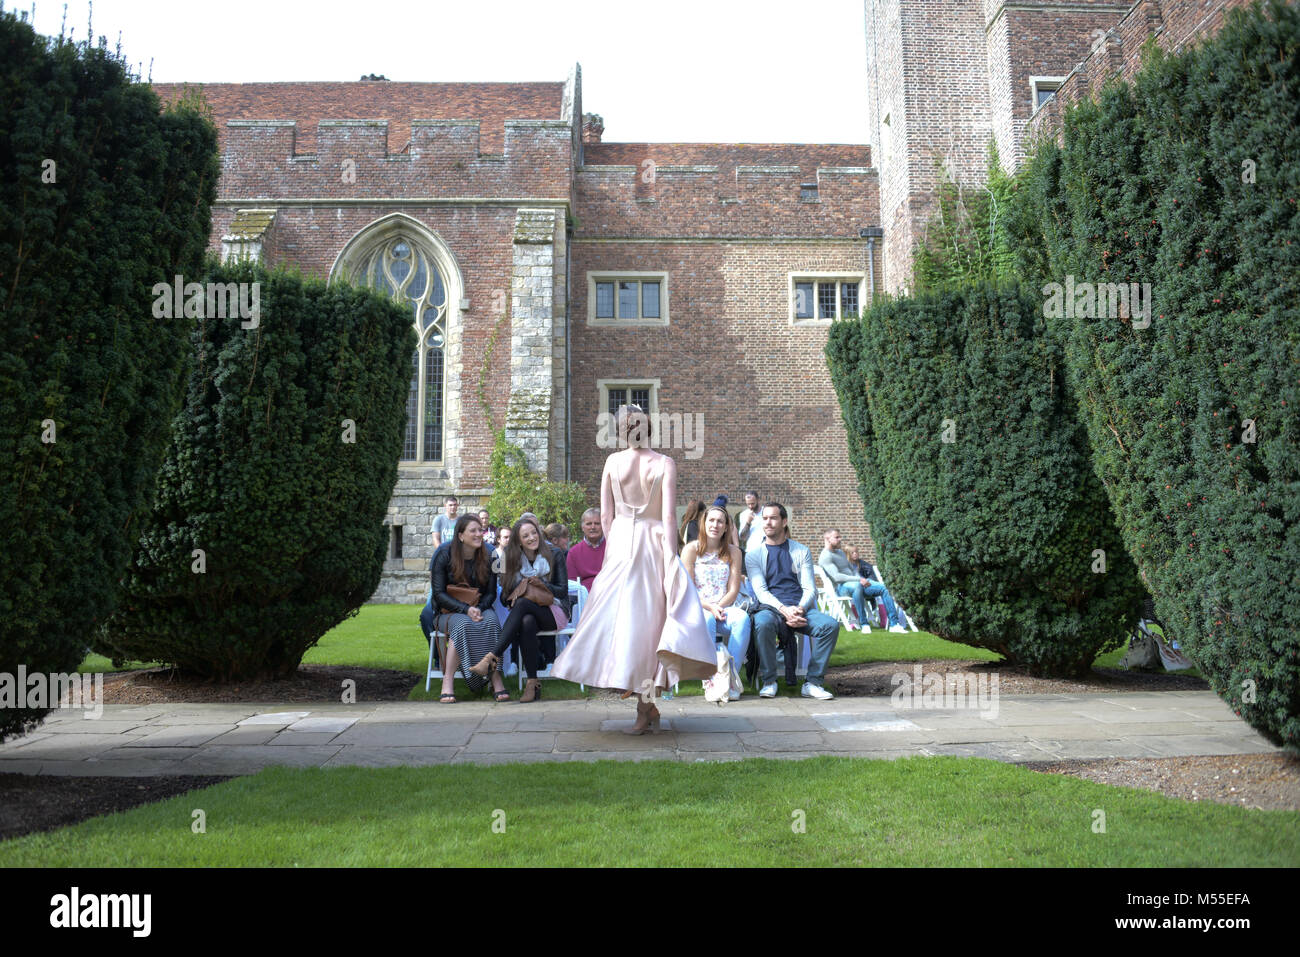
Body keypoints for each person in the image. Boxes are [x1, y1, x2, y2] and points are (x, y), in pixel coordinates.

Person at [551, 404, 716, 733]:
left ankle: (645, 706)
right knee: (649, 627)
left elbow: (606, 516)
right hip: (653, 545)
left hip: (624, 544)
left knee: (625, 626)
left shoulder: (613, 462)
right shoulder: (664, 463)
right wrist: (671, 555)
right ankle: (646, 705)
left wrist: (614, 550)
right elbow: (669, 516)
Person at [470, 517, 572, 703]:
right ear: (519, 540)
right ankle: (532, 684)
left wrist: (541, 584)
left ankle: (492, 657)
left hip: (554, 611)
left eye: (534, 533)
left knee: (523, 605)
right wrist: (515, 585)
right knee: (526, 621)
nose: (532, 538)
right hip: (528, 613)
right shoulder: (512, 558)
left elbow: (563, 591)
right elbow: (503, 598)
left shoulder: (554, 553)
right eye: (526, 536)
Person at [745, 502, 839, 700]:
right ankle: (769, 681)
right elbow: (761, 592)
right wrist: (784, 610)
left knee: (829, 625)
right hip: (770, 608)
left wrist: (799, 609)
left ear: (784, 521)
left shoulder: (801, 551)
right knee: (762, 623)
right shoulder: (753, 555)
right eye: (765, 518)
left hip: (800, 608)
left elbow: (809, 589)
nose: (768, 522)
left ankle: (813, 682)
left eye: (773, 518)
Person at [430, 514, 507, 703]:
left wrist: (479, 608)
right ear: (460, 535)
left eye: (480, 530)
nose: (479, 534)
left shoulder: (490, 553)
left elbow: (491, 593)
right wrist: (466, 610)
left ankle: (495, 676)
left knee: (492, 622)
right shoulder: (443, 553)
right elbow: (439, 594)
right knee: (463, 625)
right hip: (448, 611)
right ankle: (447, 680)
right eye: (473, 531)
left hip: (479, 606)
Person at [682, 505, 750, 701]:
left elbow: (734, 589)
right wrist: (710, 607)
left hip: (724, 606)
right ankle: (711, 679)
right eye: (711, 520)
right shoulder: (691, 549)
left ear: (727, 527)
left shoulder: (734, 552)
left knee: (743, 619)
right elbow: (688, 589)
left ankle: (730, 680)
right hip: (698, 608)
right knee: (709, 620)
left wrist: (719, 606)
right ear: (704, 523)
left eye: (720, 521)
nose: (715, 525)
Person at [846, 545, 908, 632]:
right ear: (847, 554)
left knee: (886, 589)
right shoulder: (845, 566)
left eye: (856, 551)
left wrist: (867, 582)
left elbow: (872, 579)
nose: (855, 554)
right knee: (857, 589)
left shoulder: (864, 565)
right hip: (853, 589)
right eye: (852, 552)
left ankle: (894, 624)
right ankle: (862, 623)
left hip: (866, 588)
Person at [567, 507, 606, 592]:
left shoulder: (612, 547)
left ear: (603, 525)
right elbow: (572, 583)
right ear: (582, 527)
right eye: (588, 524)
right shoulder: (574, 552)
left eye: (597, 523)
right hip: (585, 597)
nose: (593, 527)